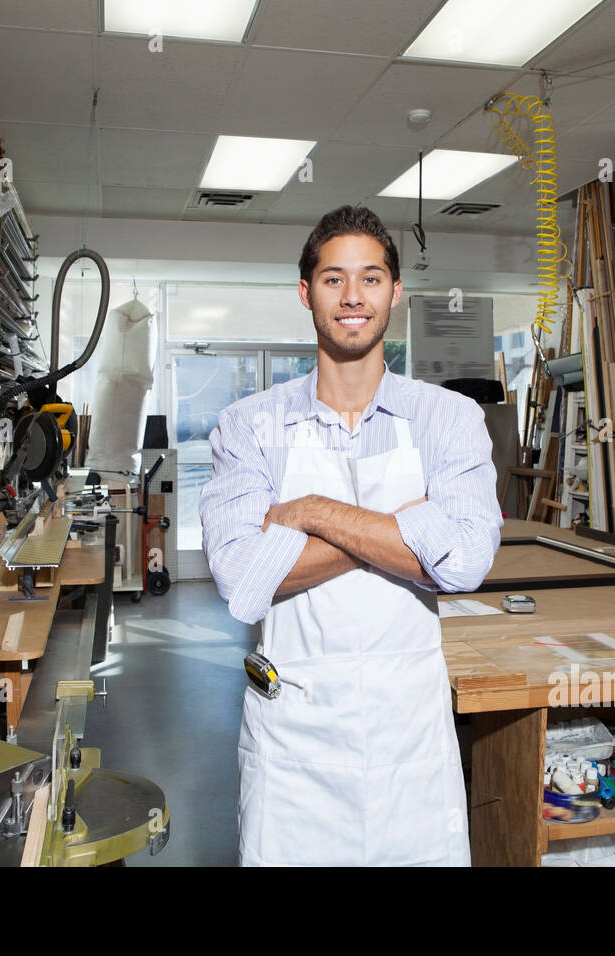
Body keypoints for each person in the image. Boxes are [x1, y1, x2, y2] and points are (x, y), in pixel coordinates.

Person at [199, 205, 503, 866]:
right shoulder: (250, 426)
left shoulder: (446, 418)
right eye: (333, 279)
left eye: (370, 278)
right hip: (294, 740)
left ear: (395, 293)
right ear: (306, 293)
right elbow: (245, 582)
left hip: (411, 740)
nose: (353, 296)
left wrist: (311, 511)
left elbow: (464, 561)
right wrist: (403, 526)